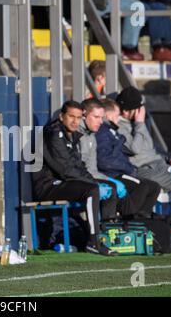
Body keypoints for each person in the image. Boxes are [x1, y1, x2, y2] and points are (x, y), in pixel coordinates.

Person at [32, 100, 118, 256]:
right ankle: (94, 241)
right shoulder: (53, 134)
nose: (75, 121)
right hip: (48, 186)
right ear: (61, 116)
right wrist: (93, 183)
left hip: (63, 182)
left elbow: (79, 167)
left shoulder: (71, 135)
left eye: (78, 118)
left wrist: (94, 180)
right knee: (91, 190)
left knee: (108, 187)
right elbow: (65, 170)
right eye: (71, 116)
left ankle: (107, 236)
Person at [80, 98, 160, 219]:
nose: (118, 119)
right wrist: (128, 169)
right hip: (113, 173)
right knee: (142, 186)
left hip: (117, 172)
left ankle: (141, 219)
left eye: (100, 118)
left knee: (153, 186)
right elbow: (104, 161)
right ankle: (131, 220)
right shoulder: (101, 132)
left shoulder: (109, 131)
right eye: (117, 115)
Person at [116, 86, 171, 191]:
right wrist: (139, 123)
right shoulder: (119, 127)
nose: (140, 112)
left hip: (159, 164)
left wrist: (167, 158)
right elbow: (135, 149)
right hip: (144, 169)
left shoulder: (136, 122)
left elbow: (149, 150)